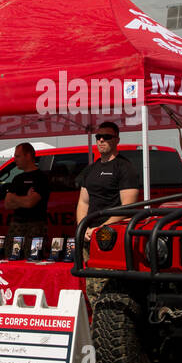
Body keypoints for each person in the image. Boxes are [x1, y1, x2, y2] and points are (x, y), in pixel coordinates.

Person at [75, 122, 142, 303]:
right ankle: (97, 327)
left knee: (107, 289)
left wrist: (101, 228)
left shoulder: (125, 168)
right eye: (98, 137)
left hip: (110, 237)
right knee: (91, 287)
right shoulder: (90, 169)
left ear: (117, 140)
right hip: (90, 236)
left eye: (107, 137)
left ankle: (106, 329)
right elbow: (83, 202)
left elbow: (128, 206)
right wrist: (84, 228)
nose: (101, 140)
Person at [5, 142, 51, 243]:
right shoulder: (17, 179)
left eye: (18, 156)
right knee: (13, 256)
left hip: (35, 226)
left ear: (28, 156)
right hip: (17, 225)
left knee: (33, 256)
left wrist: (15, 198)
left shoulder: (41, 178)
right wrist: (25, 198)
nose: (15, 160)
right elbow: (7, 203)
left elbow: (30, 203)